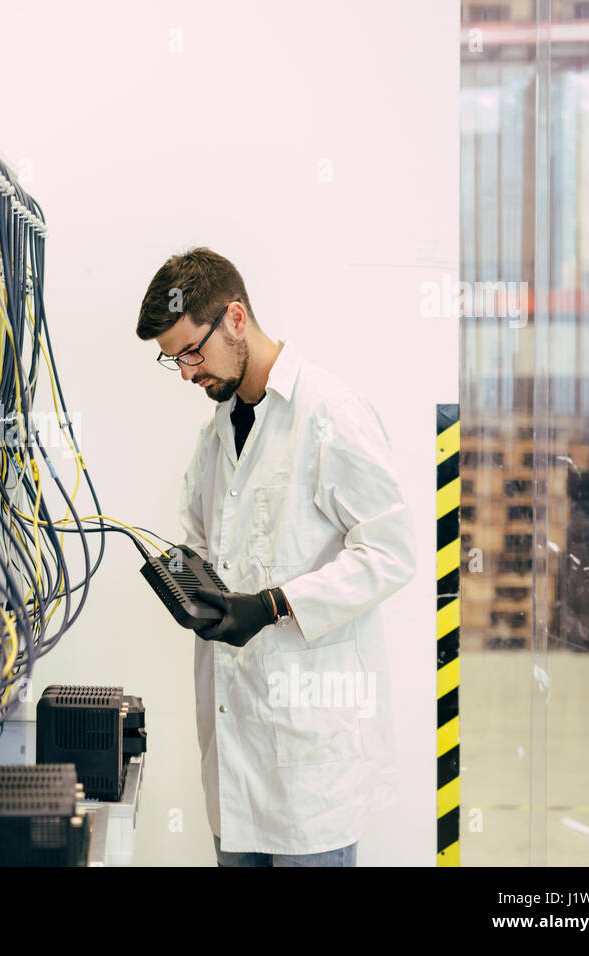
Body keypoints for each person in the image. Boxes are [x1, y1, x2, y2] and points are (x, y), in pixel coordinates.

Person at [136, 247, 416, 867]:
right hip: (236, 755)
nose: (185, 372)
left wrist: (271, 606)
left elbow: (390, 553)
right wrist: (196, 587)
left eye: (190, 352)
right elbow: (204, 536)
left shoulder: (330, 414)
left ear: (235, 318)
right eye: (172, 358)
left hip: (310, 769)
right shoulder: (219, 430)